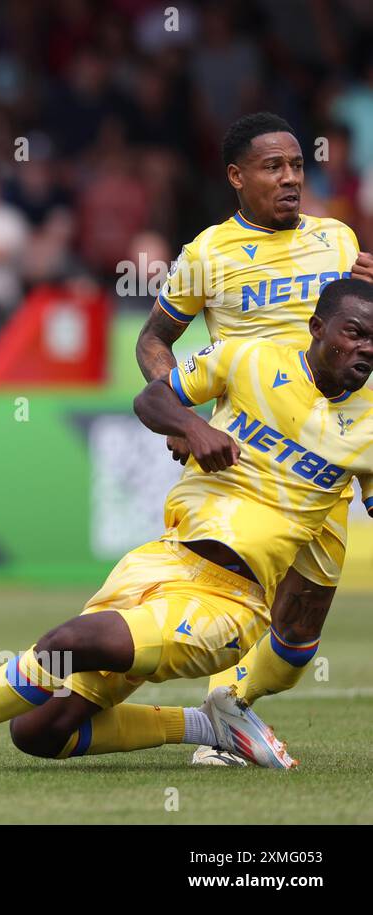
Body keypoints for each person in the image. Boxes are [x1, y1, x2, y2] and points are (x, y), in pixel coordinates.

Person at [0, 279, 373, 773]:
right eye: (354, 332)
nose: (365, 348)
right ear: (317, 328)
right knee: (40, 732)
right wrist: (193, 426)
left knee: (71, 639)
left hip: (230, 605)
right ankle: (206, 727)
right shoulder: (248, 358)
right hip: (163, 559)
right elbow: (151, 398)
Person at [135, 111, 373, 764]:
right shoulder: (208, 253)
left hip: (323, 457)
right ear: (237, 176)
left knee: (298, 642)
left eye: (297, 165)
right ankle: (108, 674)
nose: (291, 177)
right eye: (274, 167)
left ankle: (227, 708)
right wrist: (188, 422)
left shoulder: (337, 239)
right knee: (228, 600)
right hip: (244, 453)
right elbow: (154, 340)